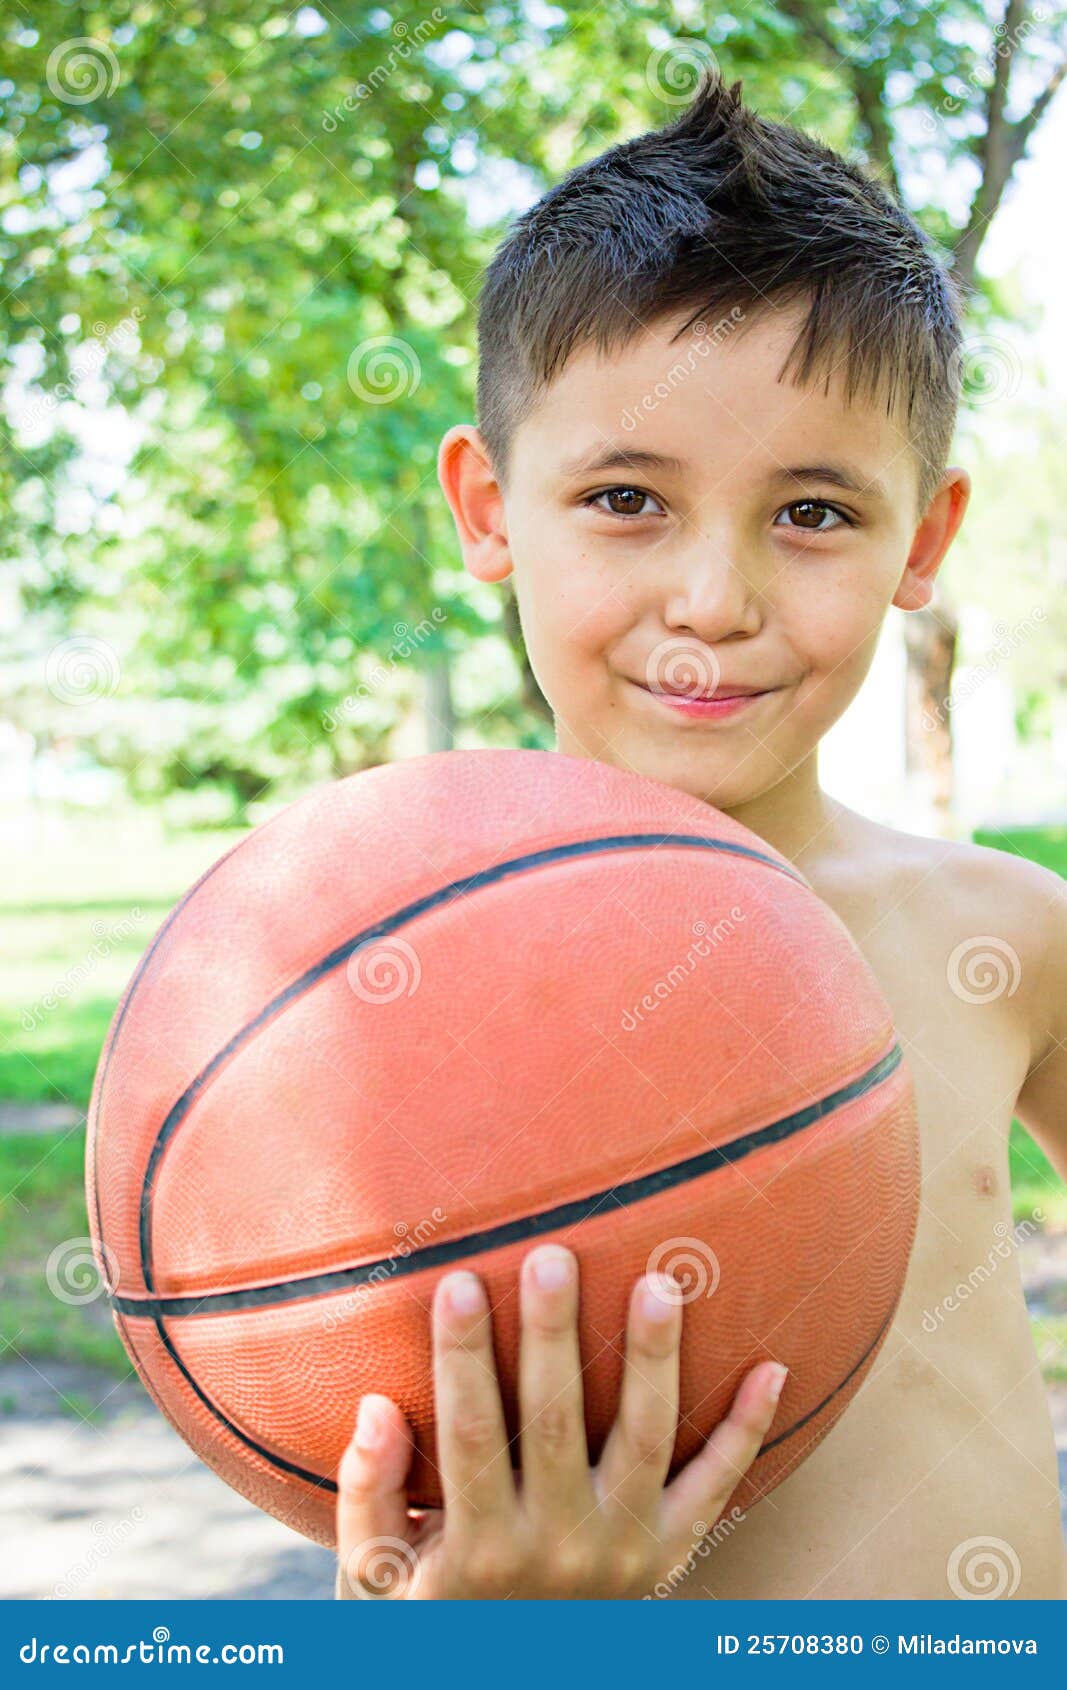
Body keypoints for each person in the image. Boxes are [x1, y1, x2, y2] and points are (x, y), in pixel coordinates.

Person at [336, 70, 1067, 1600]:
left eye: (811, 512)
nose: (716, 600)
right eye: (624, 497)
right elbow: (380, 1544)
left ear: (920, 539)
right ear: (488, 510)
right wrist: (464, 1633)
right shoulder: (369, 992)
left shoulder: (1004, 935)